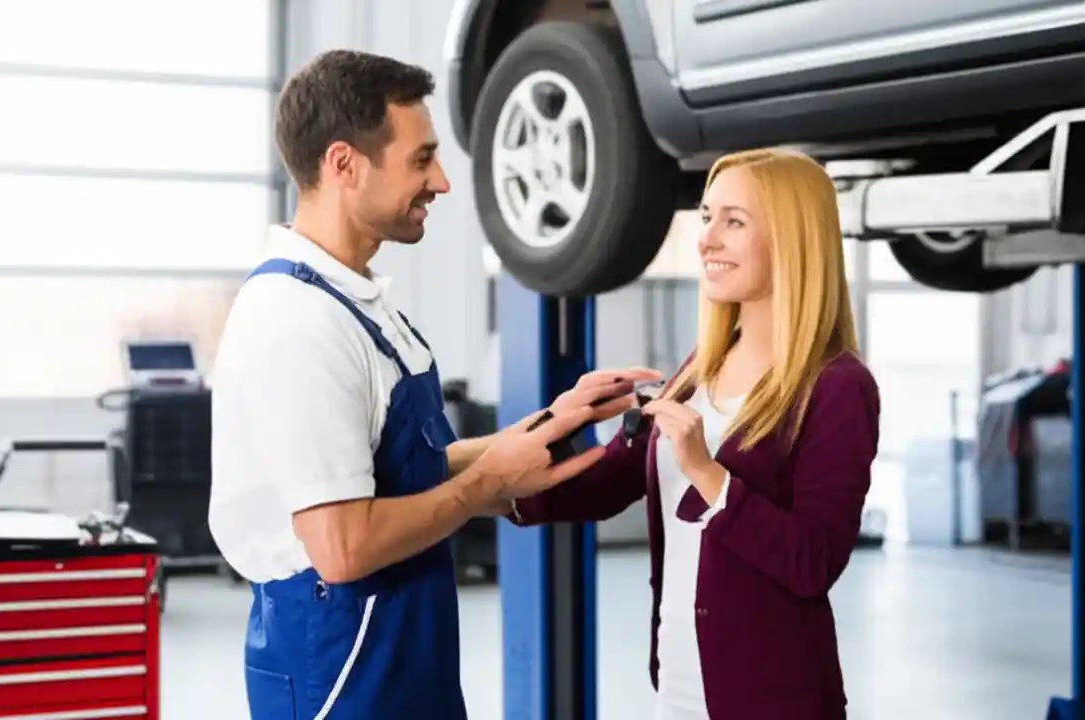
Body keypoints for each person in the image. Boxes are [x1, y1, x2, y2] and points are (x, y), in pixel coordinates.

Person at [207, 49, 653, 720]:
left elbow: (406, 469)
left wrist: (550, 422)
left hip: (404, 655)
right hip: (339, 670)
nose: (440, 182)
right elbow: (343, 547)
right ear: (344, 165)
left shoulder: (354, 301)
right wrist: (489, 483)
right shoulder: (298, 323)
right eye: (421, 160)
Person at [511, 148, 881, 720]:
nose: (707, 239)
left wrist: (710, 476)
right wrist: (497, 484)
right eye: (707, 217)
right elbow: (610, 482)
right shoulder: (699, 369)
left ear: (793, 239)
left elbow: (814, 562)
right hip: (680, 685)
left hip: (773, 698)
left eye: (734, 221)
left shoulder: (838, 387)